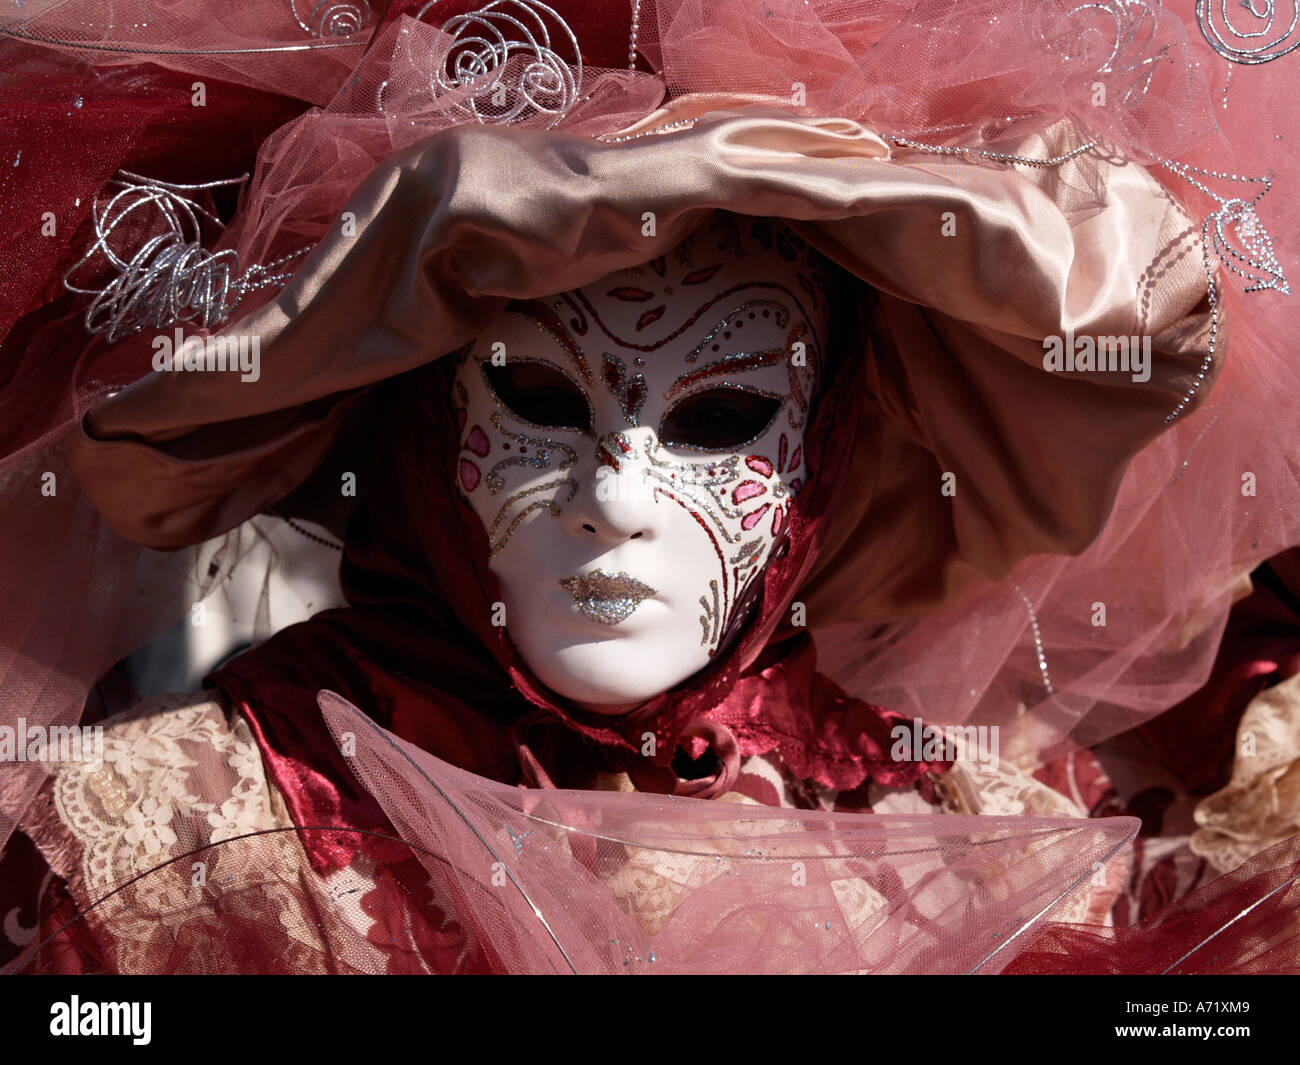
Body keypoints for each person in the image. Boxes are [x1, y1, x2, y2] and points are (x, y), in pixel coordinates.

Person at [2, 0, 1299, 973]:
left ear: (828, 450)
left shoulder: (995, 832)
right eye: (542, 403)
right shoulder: (187, 846)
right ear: (410, 420)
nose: (617, 497)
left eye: (721, 418)